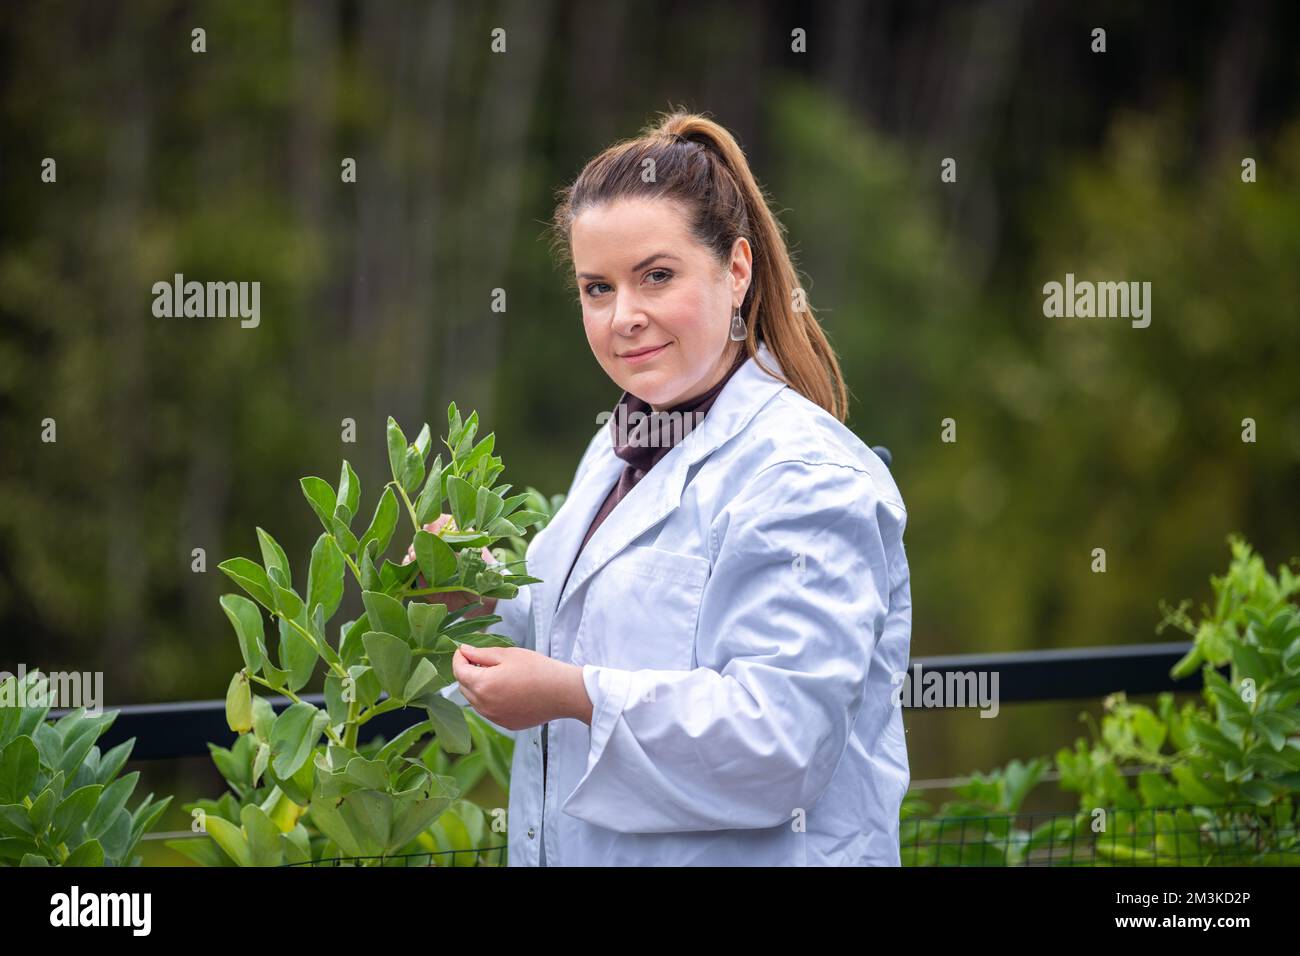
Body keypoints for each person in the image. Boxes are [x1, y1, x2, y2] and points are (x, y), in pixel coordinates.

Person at [435, 110, 912, 866]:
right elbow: (577, 633)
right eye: (597, 288)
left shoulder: (805, 477)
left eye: (656, 275)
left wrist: (572, 694)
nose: (625, 317)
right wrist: (475, 595)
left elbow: (780, 742)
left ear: (737, 270)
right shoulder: (623, 441)